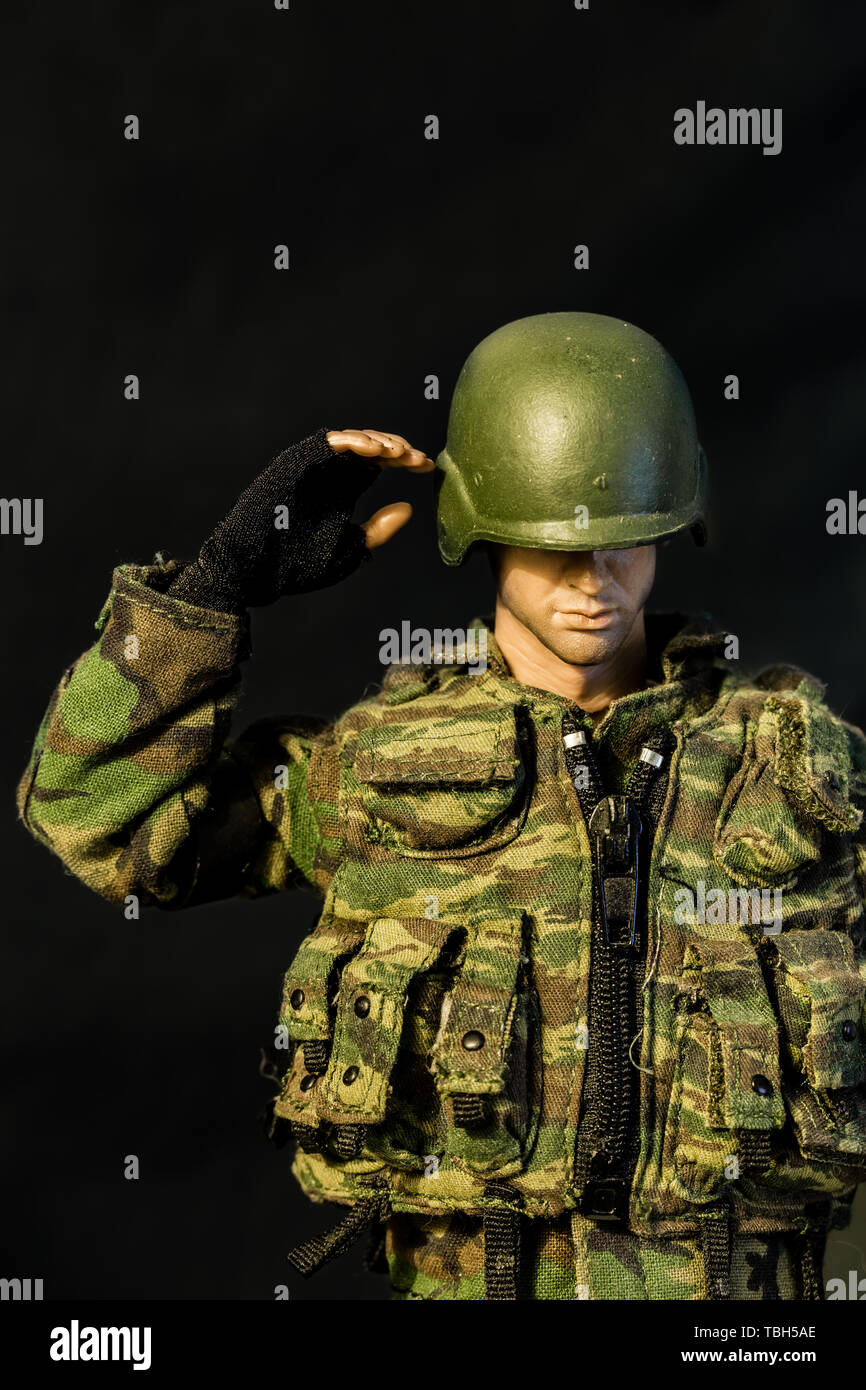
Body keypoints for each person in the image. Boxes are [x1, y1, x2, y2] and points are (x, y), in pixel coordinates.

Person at [17, 312, 866, 1300]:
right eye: (547, 544)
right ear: (481, 535)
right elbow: (94, 821)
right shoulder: (376, 770)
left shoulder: (800, 775)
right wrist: (210, 592)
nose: (590, 579)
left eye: (627, 541)